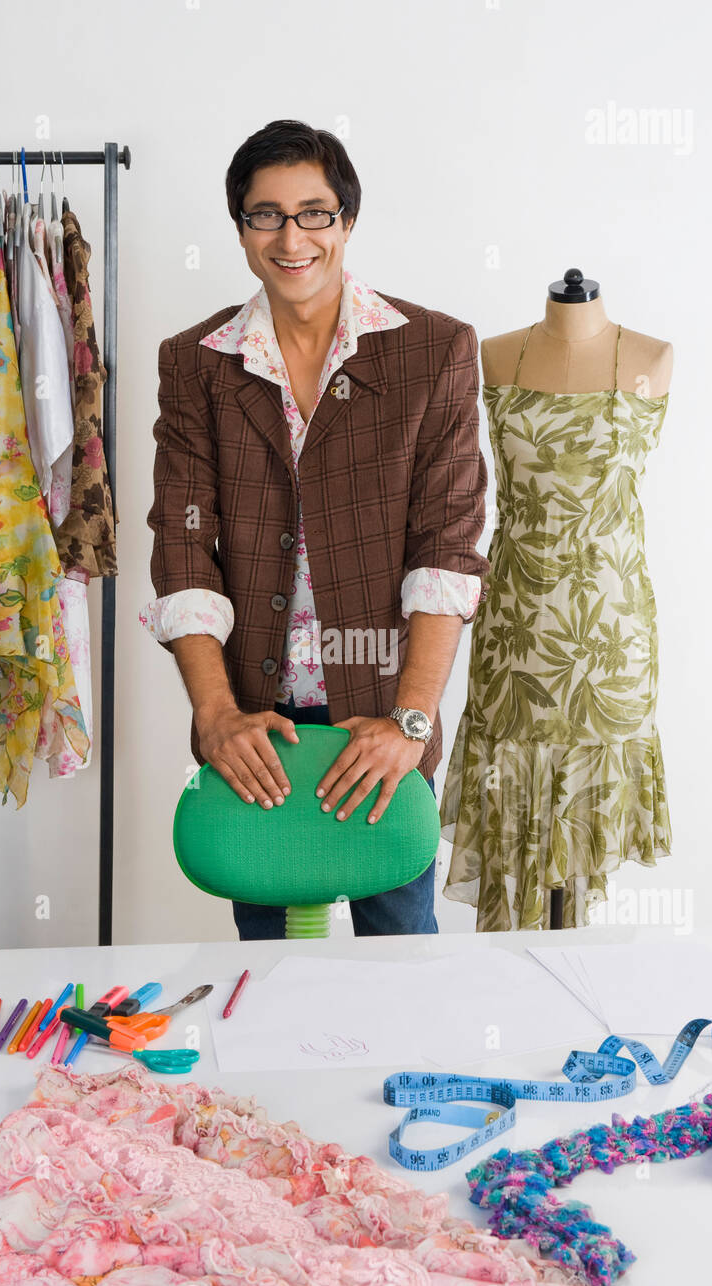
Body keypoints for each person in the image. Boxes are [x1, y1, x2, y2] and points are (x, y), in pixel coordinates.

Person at [141, 119, 488, 939]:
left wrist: (410, 721)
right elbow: (184, 548)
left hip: (382, 720)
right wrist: (218, 715)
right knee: (267, 982)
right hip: (257, 725)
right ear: (240, 229)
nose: (291, 237)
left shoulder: (433, 351)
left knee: (402, 964)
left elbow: (446, 549)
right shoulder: (197, 363)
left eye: (314, 213)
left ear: (347, 221)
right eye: (267, 215)